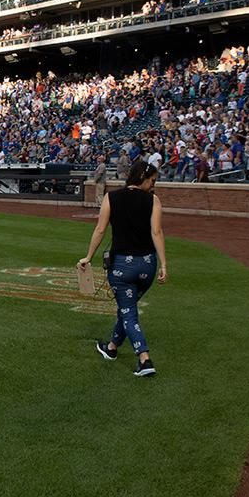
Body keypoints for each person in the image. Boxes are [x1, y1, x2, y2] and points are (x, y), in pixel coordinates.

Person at [78, 160, 168, 377]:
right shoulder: (153, 200)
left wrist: (88, 256)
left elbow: (100, 230)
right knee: (127, 308)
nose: (153, 185)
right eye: (152, 181)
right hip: (147, 264)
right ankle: (111, 348)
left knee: (128, 312)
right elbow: (157, 232)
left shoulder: (112, 197)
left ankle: (144, 359)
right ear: (142, 178)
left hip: (121, 267)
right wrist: (164, 264)